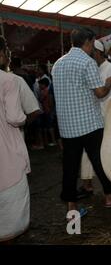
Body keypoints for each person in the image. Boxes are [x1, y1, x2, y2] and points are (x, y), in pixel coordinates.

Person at [51, 28, 111, 219]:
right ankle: (109, 197)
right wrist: (108, 83)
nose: (92, 48)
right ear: (88, 42)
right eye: (92, 43)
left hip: (67, 126)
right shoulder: (87, 62)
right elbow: (99, 93)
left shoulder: (58, 64)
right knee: (99, 162)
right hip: (89, 124)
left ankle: (72, 208)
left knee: (70, 167)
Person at [78, 40, 111, 198]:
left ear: (97, 52)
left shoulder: (110, 69)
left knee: (103, 153)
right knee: (90, 151)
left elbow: (107, 95)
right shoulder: (95, 68)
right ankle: (88, 184)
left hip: (107, 118)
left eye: (90, 52)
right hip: (96, 118)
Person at [0, 36, 31, 243]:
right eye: (7, 51)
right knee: (10, 224)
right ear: (1, 55)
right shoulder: (8, 80)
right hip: (6, 153)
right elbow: (14, 117)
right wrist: (25, 117)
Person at [38, 77, 57, 147]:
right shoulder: (46, 91)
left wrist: (50, 110)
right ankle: (49, 141)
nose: (39, 86)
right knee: (47, 127)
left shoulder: (45, 91)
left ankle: (53, 141)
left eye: (40, 85)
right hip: (47, 111)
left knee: (50, 127)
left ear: (44, 85)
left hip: (48, 111)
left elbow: (41, 99)